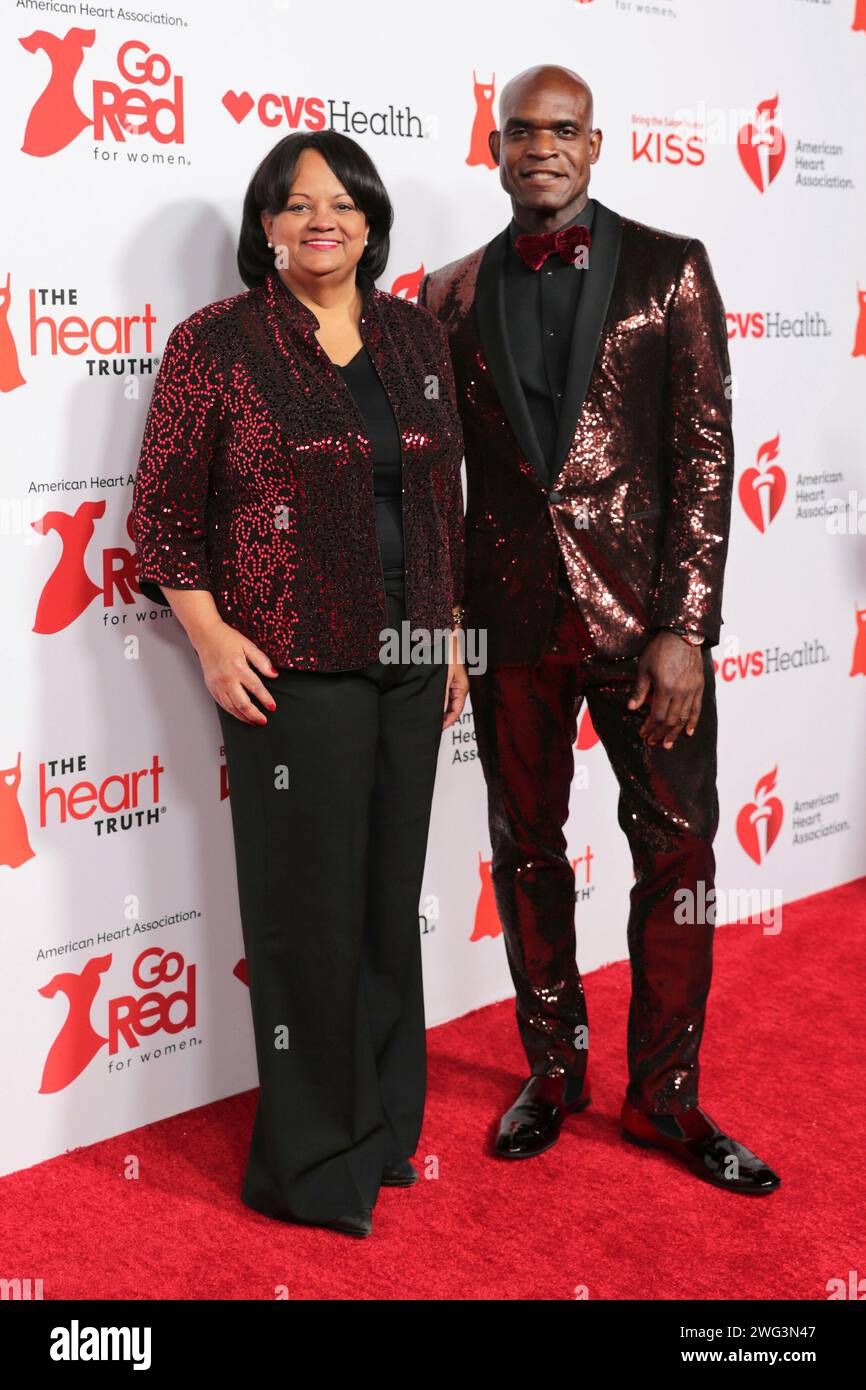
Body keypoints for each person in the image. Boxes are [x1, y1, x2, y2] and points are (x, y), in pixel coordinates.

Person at [418, 65, 780, 1195]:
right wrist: (442, 628)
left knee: (673, 853)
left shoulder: (671, 269)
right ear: (493, 147)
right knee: (525, 849)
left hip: (645, 630)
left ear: (595, 143)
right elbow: (439, 484)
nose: (541, 146)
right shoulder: (444, 290)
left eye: (561, 129)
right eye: (519, 130)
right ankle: (553, 1070)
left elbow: (705, 456)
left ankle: (665, 1098)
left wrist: (684, 626)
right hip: (510, 618)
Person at [132, 130, 468, 1237]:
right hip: (292, 670)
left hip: (410, 661)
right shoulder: (217, 344)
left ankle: (381, 1127)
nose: (321, 219)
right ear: (264, 225)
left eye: (342, 202)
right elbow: (162, 518)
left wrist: (451, 633)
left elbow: (435, 499)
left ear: (370, 220)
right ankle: (311, 1162)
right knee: (304, 918)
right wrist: (211, 638)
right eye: (295, 203)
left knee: (384, 904)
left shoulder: (416, 333)